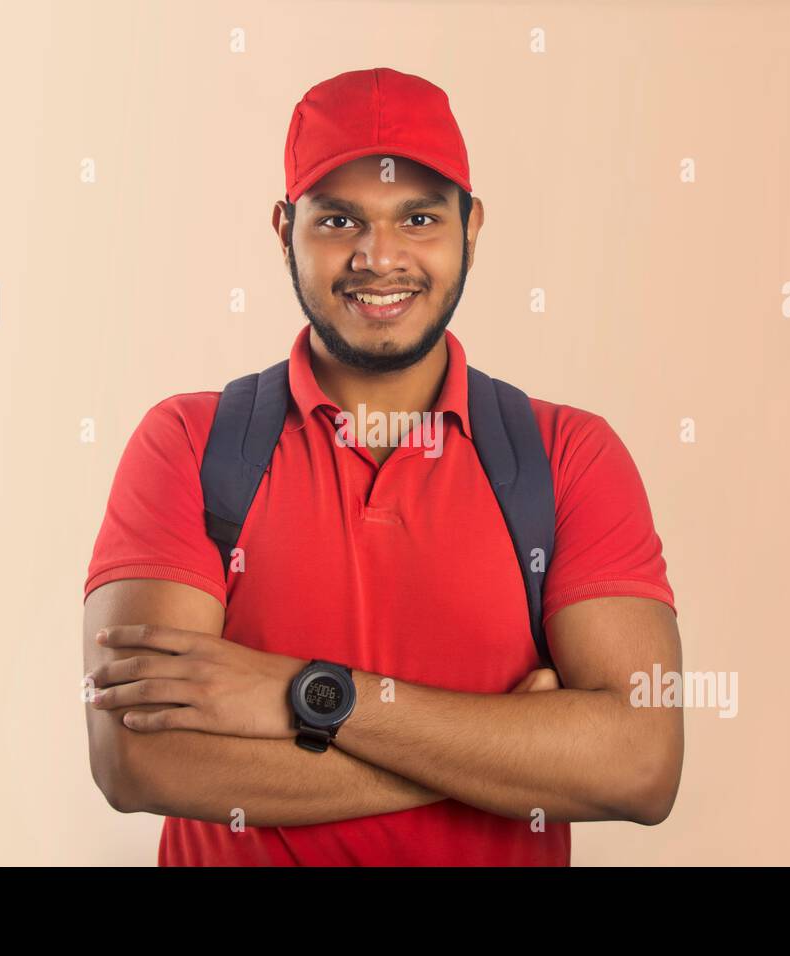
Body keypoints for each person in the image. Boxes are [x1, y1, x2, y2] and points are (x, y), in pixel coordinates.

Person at [82, 67, 683, 866]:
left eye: (419, 218)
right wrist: (502, 748)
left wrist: (302, 694)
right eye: (339, 220)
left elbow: (641, 765)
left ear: (471, 228)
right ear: (284, 231)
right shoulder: (189, 444)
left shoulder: (569, 455)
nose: (379, 256)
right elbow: (137, 760)